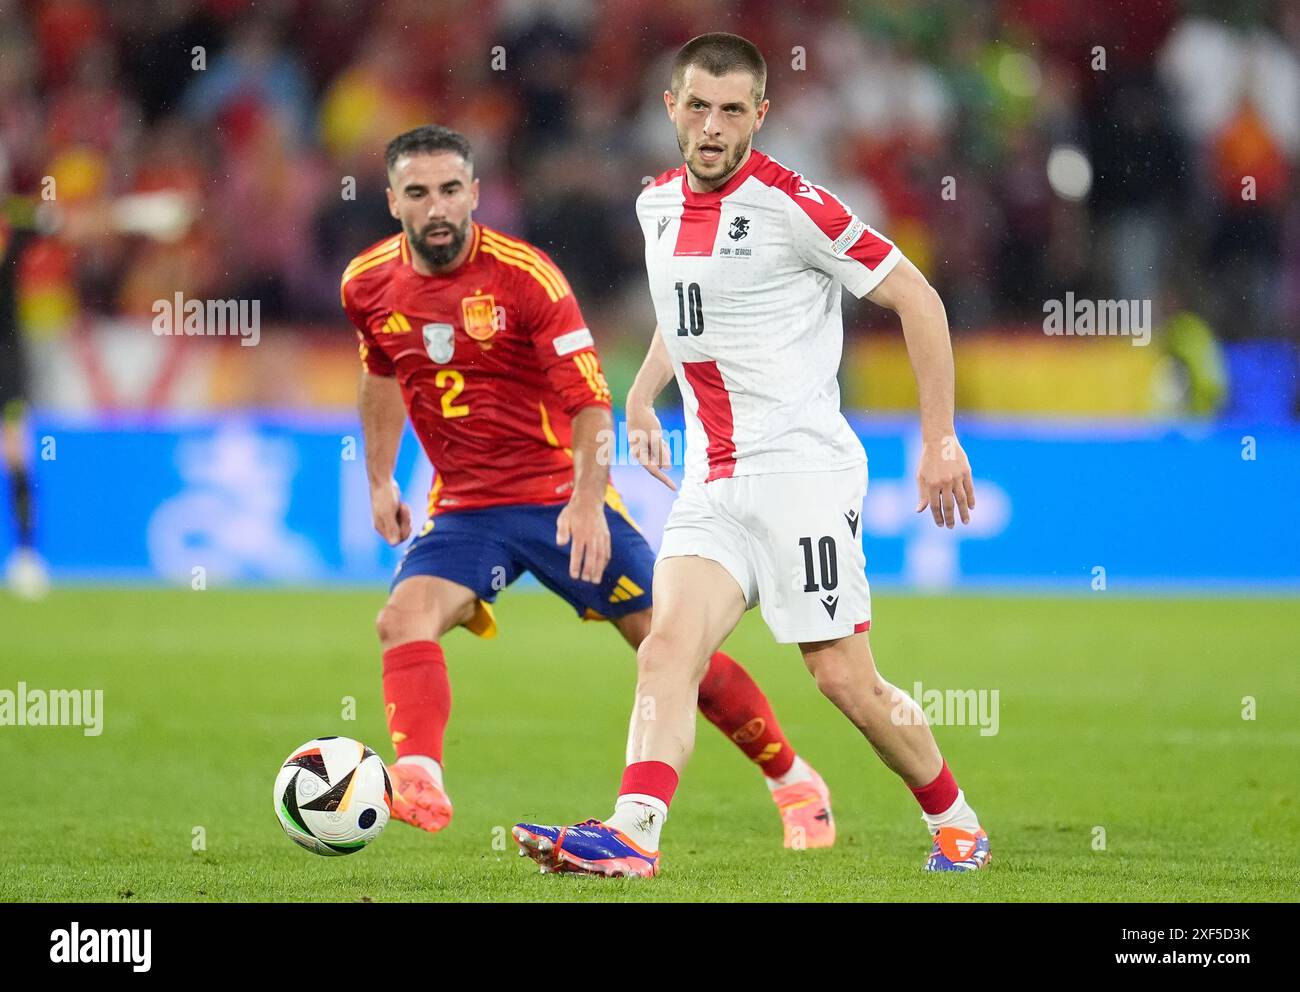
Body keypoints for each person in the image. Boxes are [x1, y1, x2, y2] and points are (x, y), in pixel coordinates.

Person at [514, 33, 991, 877]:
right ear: (670, 107)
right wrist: (639, 392)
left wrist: (940, 437)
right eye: (697, 105)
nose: (712, 125)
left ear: (759, 116)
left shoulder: (795, 206)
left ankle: (957, 824)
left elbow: (918, 296)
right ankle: (634, 834)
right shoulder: (655, 204)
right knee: (666, 647)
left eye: (733, 110)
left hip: (800, 473)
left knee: (843, 680)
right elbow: (686, 306)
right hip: (713, 478)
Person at [342, 124, 836, 848]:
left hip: (560, 495)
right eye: (418, 193)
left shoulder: (525, 278)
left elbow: (589, 401)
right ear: (392, 201)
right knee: (400, 619)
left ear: (476, 192)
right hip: (470, 509)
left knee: (670, 651)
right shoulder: (367, 283)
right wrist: (380, 477)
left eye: (451, 189)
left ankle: (794, 779)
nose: (437, 206)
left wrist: (585, 497)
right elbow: (381, 373)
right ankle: (417, 775)